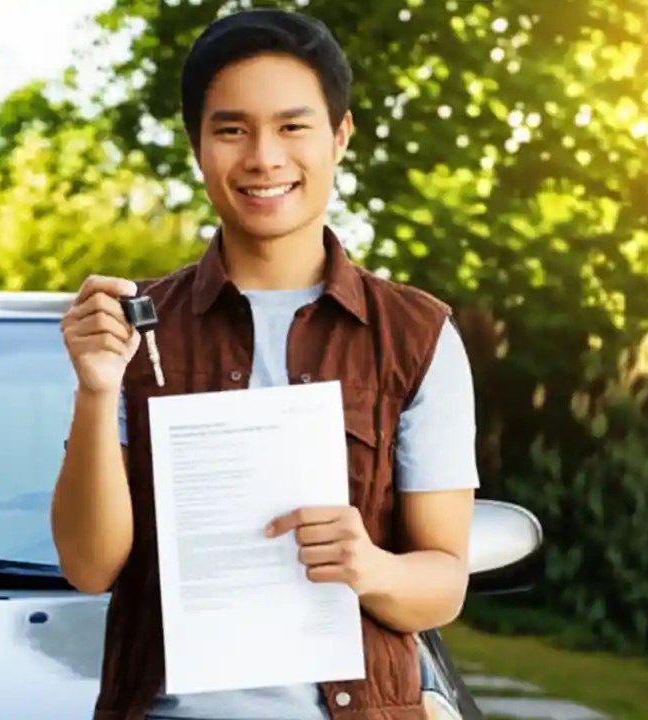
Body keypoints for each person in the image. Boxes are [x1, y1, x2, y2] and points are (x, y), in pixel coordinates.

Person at [52, 8, 479, 720]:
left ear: (339, 136)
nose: (263, 157)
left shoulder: (416, 336)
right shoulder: (131, 328)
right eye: (232, 130)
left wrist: (370, 567)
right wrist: (96, 391)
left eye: (292, 127)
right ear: (197, 146)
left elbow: (443, 583)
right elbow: (90, 567)